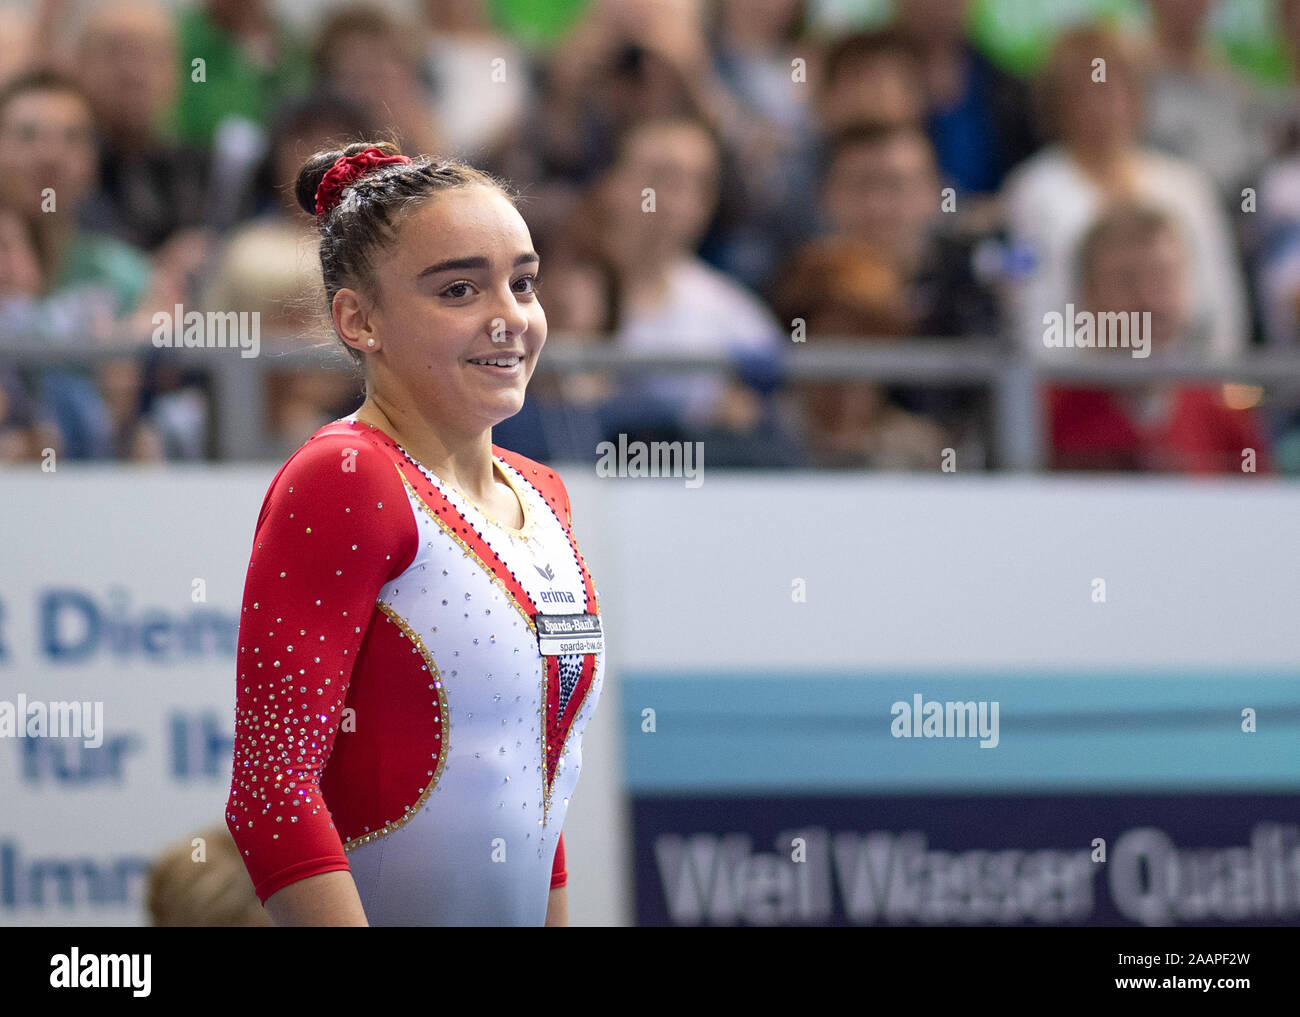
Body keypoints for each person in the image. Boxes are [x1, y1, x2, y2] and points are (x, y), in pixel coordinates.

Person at [225, 141, 604, 926]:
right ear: (359, 320)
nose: (510, 317)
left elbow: (537, 790)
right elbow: (270, 792)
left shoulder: (544, 495)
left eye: (523, 283)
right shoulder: (346, 479)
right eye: (460, 288)